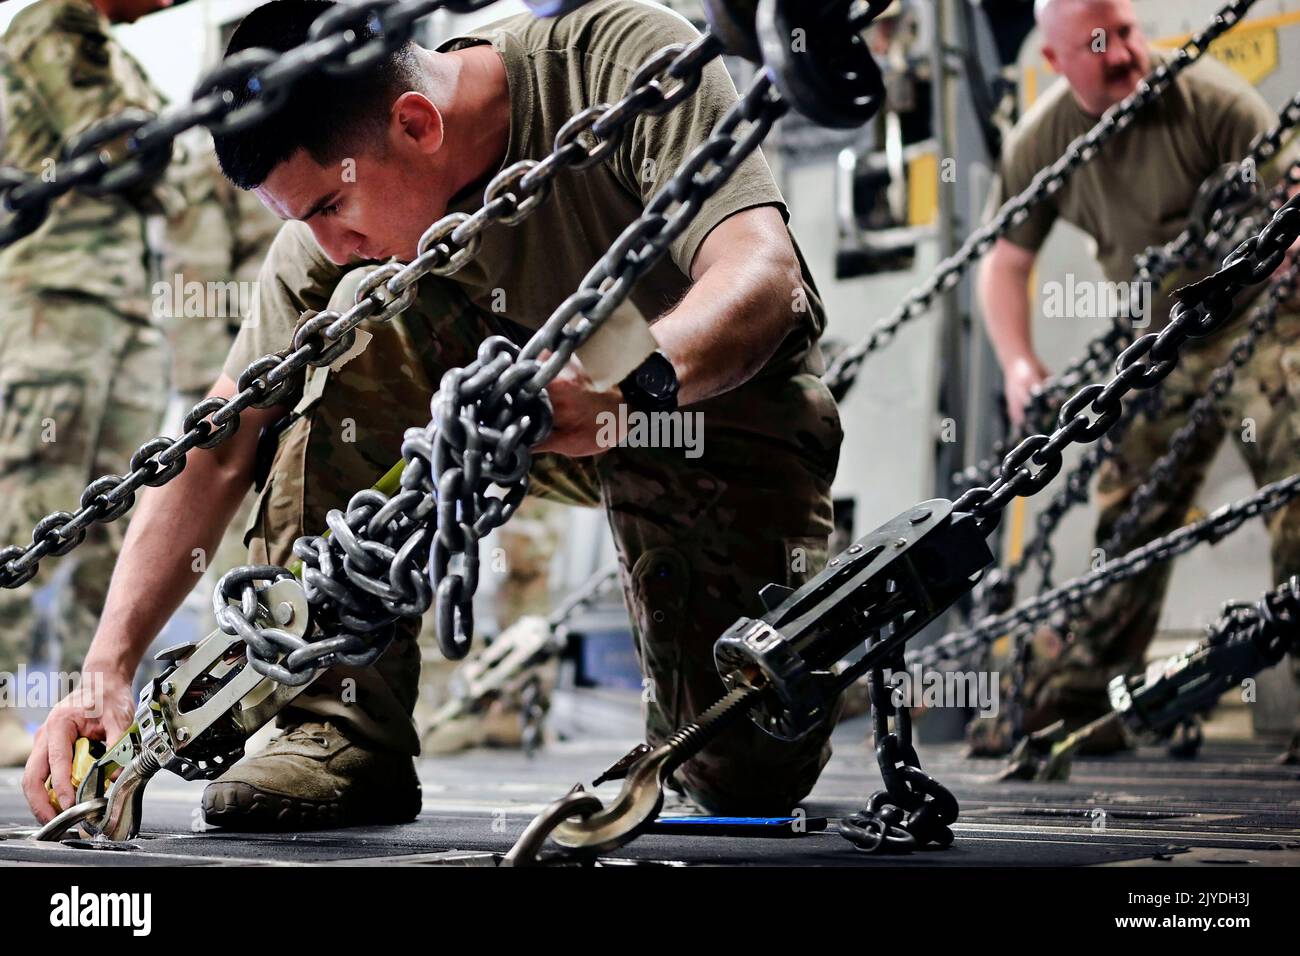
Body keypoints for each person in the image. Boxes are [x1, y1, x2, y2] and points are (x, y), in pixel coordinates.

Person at [24, 0, 844, 829]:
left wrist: (626, 384)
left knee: (741, 772)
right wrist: (107, 668)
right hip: (522, 424)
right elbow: (220, 435)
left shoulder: (622, 56)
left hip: (708, 411)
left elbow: (762, 276)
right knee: (350, 321)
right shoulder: (331, 240)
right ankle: (336, 729)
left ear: (416, 124)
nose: (330, 239)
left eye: (328, 209)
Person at [975, 0, 1300, 751]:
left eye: (1127, 31)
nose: (1123, 53)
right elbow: (1005, 261)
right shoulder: (1044, 140)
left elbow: (1289, 203)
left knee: (1295, 466)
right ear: (1056, 63)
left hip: (1256, 319)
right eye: (1099, 43)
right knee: (1127, 519)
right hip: (1162, 338)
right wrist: (1019, 362)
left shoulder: (1214, 100)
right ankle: (1082, 708)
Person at [0, 0, 180, 767]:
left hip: (127, 307)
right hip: (56, 301)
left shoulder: (114, 47)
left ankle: (83, 707)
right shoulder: (54, 22)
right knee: (29, 503)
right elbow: (118, 146)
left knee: (116, 517)